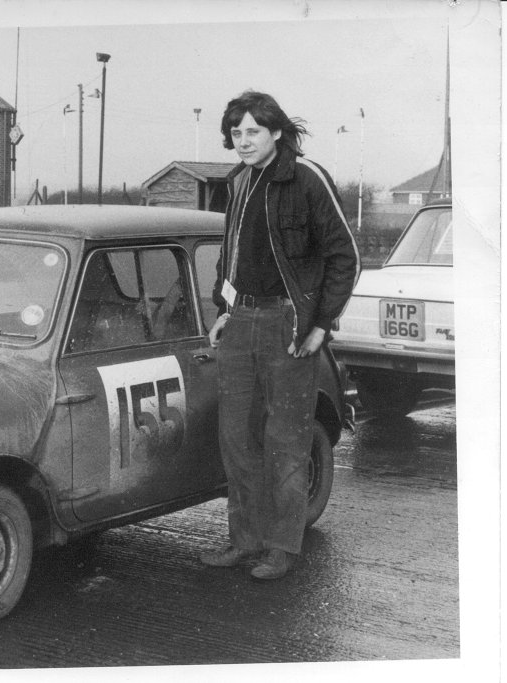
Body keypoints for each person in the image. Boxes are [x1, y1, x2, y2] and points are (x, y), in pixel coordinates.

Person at [201, 90, 359, 579]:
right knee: (236, 438)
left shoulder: (306, 178)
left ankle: (280, 548)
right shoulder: (238, 181)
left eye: (253, 131)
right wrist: (225, 308)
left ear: (276, 132)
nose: (243, 141)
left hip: (289, 324)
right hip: (241, 321)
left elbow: (345, 257)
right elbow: (231, 255)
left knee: (285, 441)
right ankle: (244, 540)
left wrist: (321, 324)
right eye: (236, 132)